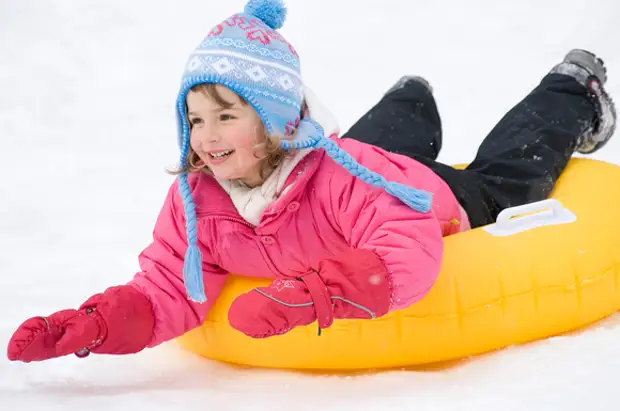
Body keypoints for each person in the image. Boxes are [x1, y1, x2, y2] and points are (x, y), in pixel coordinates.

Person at [7, 0, 616, 363]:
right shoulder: (196, 202)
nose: (207, 136)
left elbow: (407, 249)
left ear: (274, 123)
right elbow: (169, 284)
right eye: (194, 119)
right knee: (374, 145)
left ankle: (572, 86)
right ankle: (411, 98)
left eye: (226, 116)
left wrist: (312, 295)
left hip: (440, 201)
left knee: (508, 169)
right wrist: (94, 324)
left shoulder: (336, 178)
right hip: (370, 164)